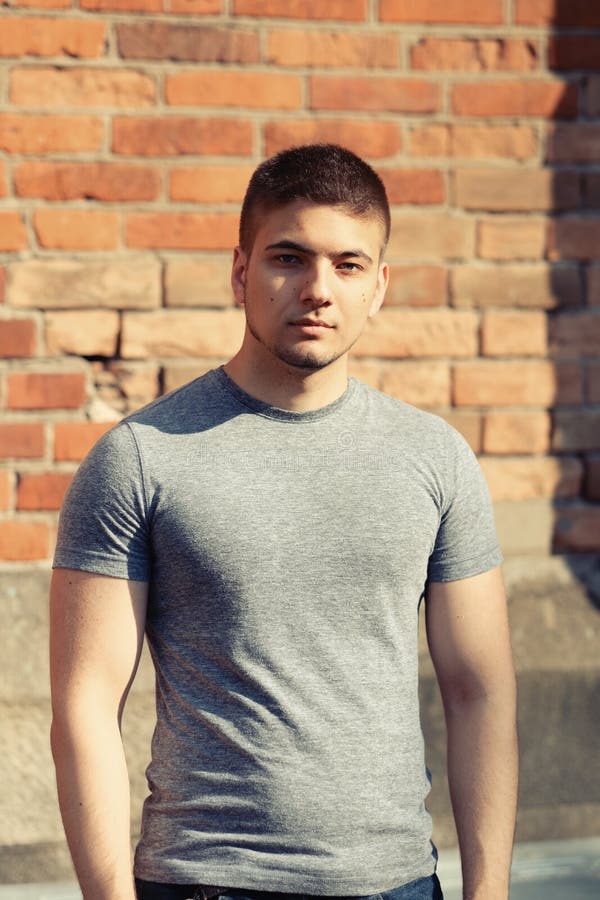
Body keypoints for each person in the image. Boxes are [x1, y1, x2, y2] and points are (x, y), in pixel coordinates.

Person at [50, 144, 518, 900]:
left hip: (394, 882)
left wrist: (488, 890)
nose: (318, 289)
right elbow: (85, 707)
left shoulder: (436, 459)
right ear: (241, 272)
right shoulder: (138, 459)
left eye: (348, 265)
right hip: (206, 880)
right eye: (289, 258)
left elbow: (479, 689)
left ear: (380, 286)